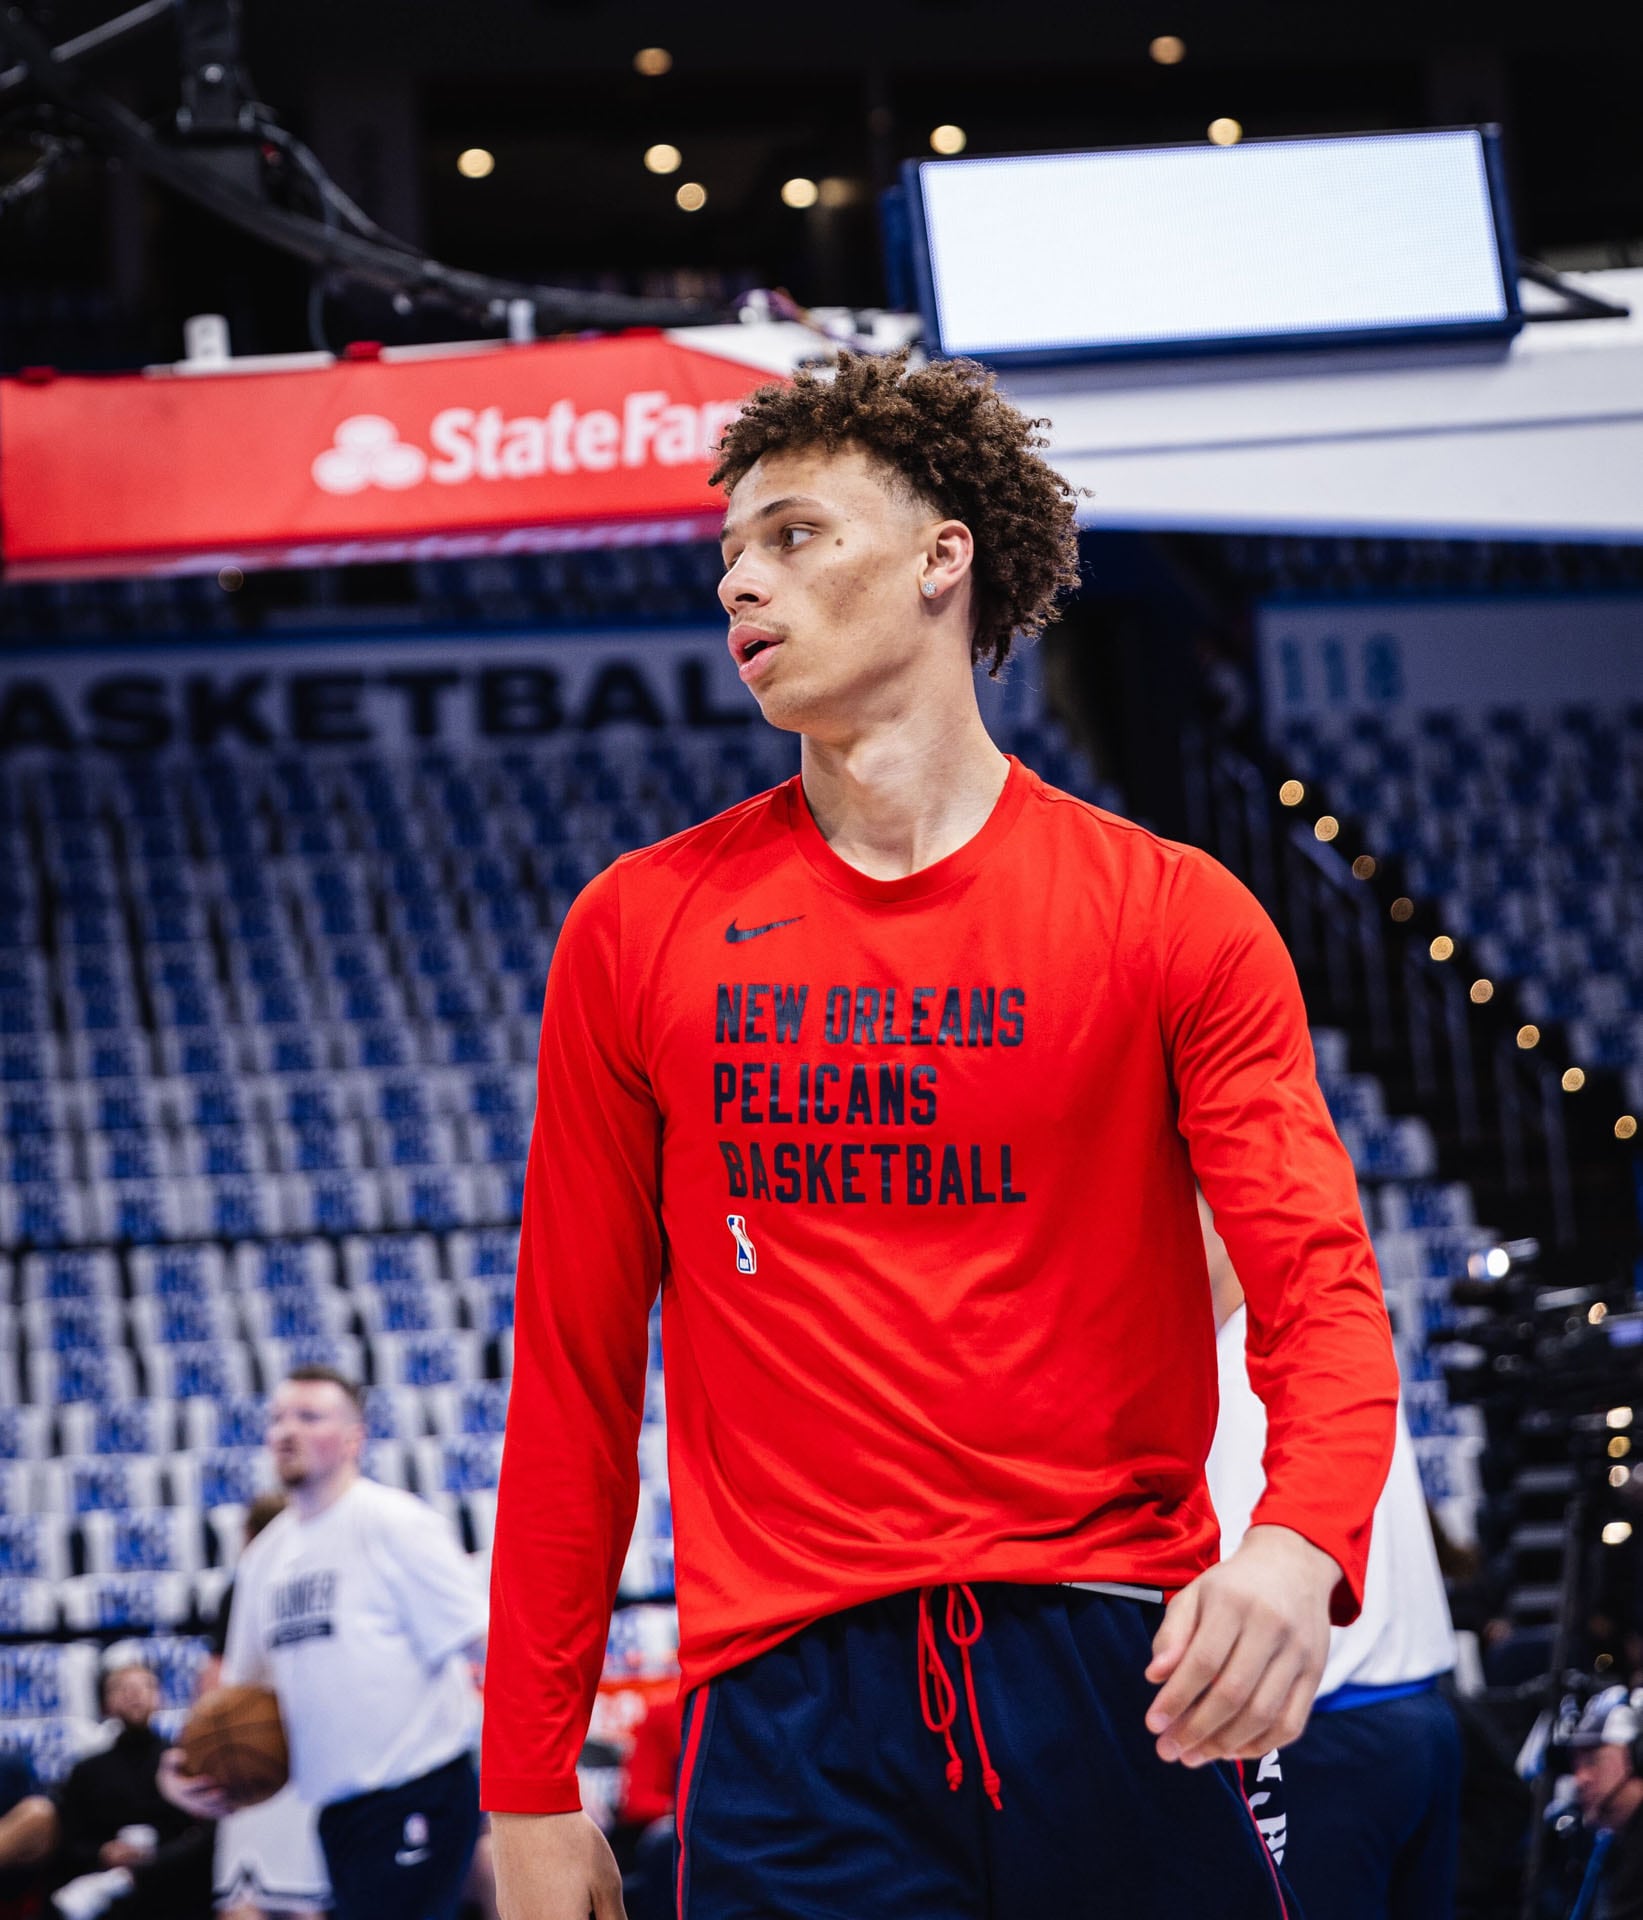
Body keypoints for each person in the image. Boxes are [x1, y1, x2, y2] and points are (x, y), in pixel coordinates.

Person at [483, 349, 1400, 1919]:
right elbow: (570, 1372)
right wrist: (526, 1780)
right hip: (786, 1714)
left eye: (789, 536)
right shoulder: (633, 929)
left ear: (939, 558)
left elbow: (1315, 1287)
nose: (739, 585)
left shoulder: (1175, 914)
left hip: (1119, 1671)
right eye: (726, 557)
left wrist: (1296, 1542)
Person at [1203, 1193, 1463, 1918]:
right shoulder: (1332, 1341)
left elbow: (1220, 1583)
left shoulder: (1237, 1366)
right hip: (1424, 1722)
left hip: (1323, 1737)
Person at [161, 1367, 487, 1920]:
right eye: (278, 1418)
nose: (287, 1430)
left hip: (420, 1790)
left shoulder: (395, 1523)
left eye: (309, 1416)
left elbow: (487, 1645)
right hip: (335, 1810)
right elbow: (241, 1694)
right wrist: (184, 1771)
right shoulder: (265, 1557)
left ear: (354, 1437)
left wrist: (553, 1773)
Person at [206, 1491, 329, 1920]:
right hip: (304, 1748)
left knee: (248, 1900)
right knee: (300, 1900)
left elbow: (216, 1688)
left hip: (262, 1751)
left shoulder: (246, 1581)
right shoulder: (321, 1573)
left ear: (248, 1535)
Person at [51, 1660, 213, 1920]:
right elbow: (68, 1843)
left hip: (173, 1880)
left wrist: (157, 1858)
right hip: (101, 1883)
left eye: (144, 1687)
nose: (134, 1694)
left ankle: (128, 1879)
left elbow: (200, 1835)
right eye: (121, 1688)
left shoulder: (182, 1763)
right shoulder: (87, 1771)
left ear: (159, 1698)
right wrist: (103, 1852)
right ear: (106, 1704)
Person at [1565, 1687, 1643, 1920]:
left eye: (1592, 1761)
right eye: (1575, 1765)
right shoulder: (1608, 1845)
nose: (1580, 1779)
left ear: (1639, 1758)